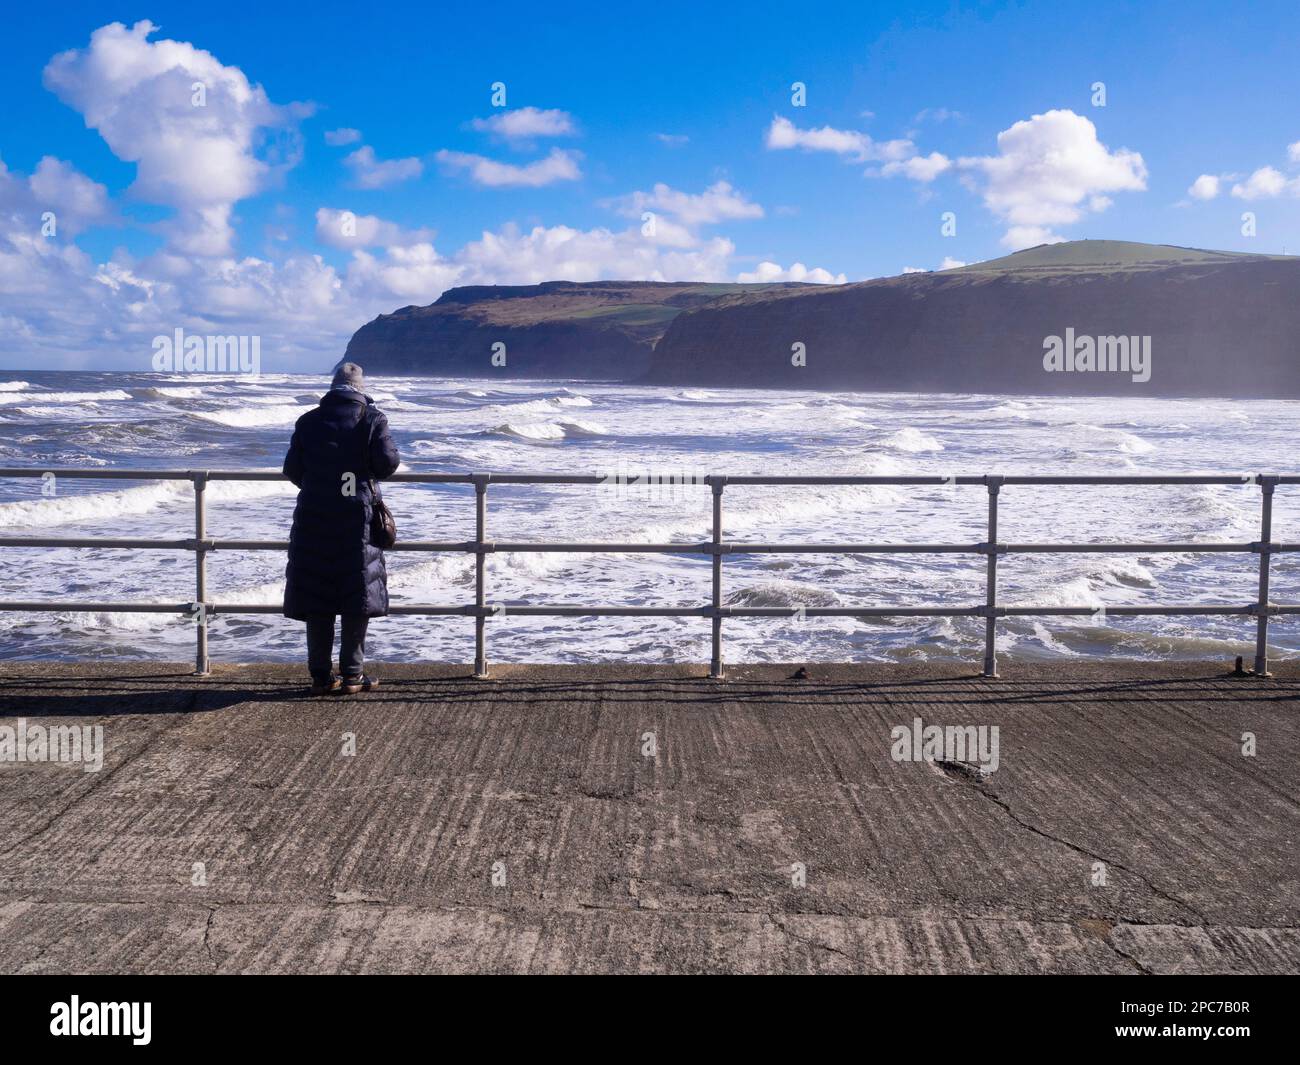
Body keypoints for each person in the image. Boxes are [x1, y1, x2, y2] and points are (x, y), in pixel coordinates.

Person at [282, 362, 400, 694]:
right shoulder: (372, 419)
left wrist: (322, 484)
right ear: (360, 389)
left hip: (314, 516)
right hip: (357, 518)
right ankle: (351, 675)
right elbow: (387, 464)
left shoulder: (308, 421)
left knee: (317, 595)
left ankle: (320, 676)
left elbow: (292, 469)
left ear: (332, 387)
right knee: (356, 592)